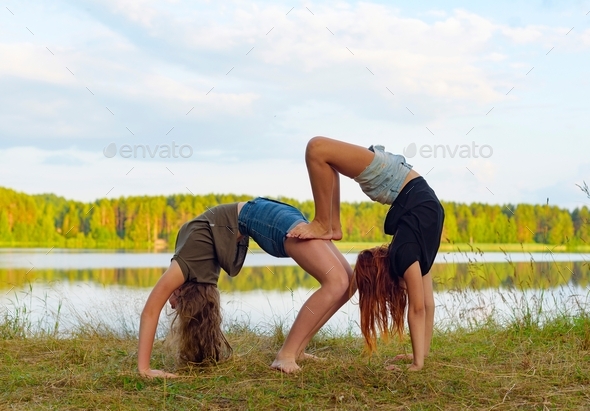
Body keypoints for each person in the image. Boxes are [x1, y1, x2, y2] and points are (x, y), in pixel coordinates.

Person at [138, 197, 353, 378]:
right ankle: (297, 350)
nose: (172, 304)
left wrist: (144, 368)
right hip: (268, 213)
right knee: (347, 283)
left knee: (338, 283)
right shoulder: (197, 268)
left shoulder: (183, 266)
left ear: (183, 289)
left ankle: (286, 354)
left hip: (262, 217)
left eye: (176, 301)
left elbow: (150, 311)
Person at [288, 137, 444, 371]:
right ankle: (329, 224)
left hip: (399, 181)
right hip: (400, 182)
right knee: (318, 150)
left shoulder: (405, 255)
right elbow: (425, 305)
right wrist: (419, 356)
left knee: (317, 149)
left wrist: (417, 362)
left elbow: (422, 307)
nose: (405, 294)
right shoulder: (410, 255)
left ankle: (325, 223)